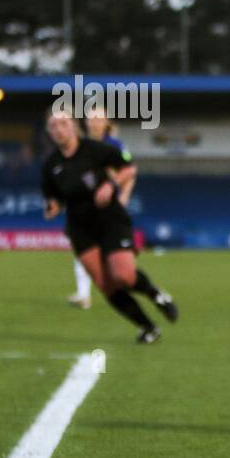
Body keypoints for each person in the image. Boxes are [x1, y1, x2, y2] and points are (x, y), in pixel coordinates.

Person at [40, 107, 177, 343]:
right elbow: (54, 198)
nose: (58, 129)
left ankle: (156, 295)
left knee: (123, 276)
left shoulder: (96, 149)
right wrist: (53, 207)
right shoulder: (50, 165)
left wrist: (111, 185)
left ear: (73, 126)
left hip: (110, 218)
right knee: (106, 285)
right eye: (53, 126)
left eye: (63, 123)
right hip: (80, 227)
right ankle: (148, 328)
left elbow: (129, 167)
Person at [68, 106, 135, 308]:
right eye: (91, 118)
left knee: (111, 252)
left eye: (99, 119)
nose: (94, 122)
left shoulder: (115, 146)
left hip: (109, 208)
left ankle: (123, 285)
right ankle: (83, 295)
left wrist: (123, 198)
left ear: (106, 122)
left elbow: (130, 173)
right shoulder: (81, 145)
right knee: (84, 249)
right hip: (86, 207)